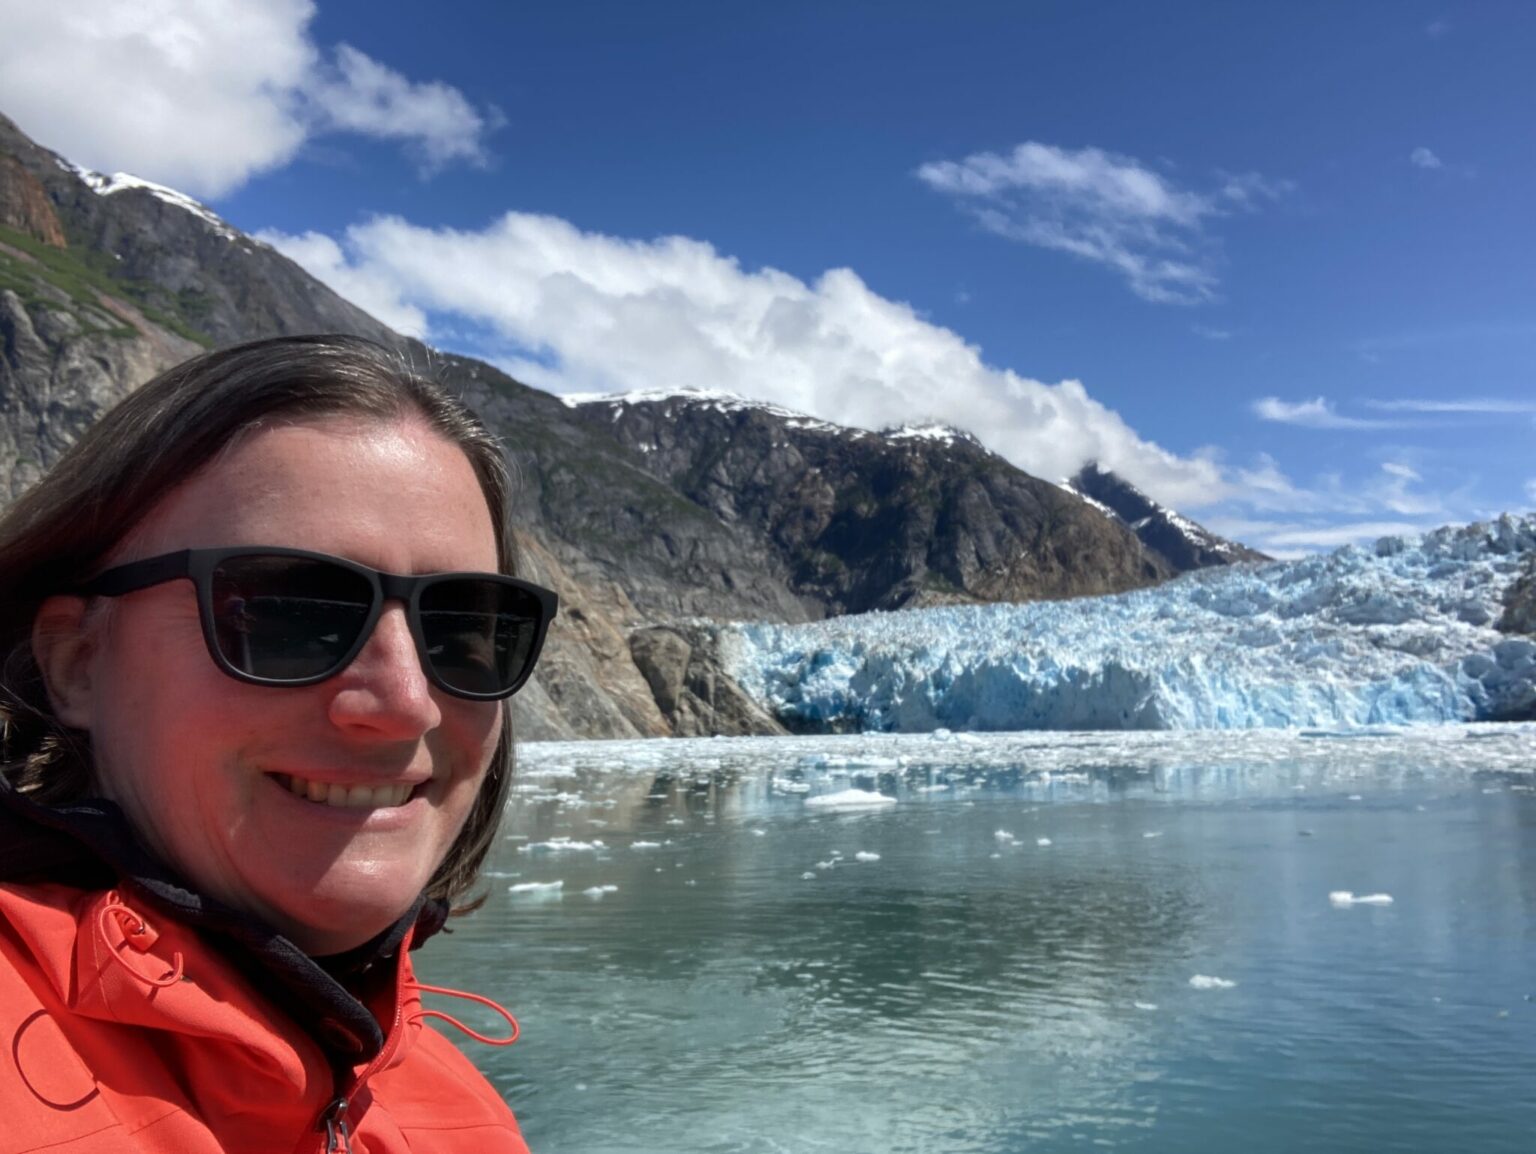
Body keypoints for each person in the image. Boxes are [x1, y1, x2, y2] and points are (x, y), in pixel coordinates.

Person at [0, 335, 558, 1153]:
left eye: (467, 628)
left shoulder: (464, 1116)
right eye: (289, 613)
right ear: (78, 664)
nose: (405, 703)